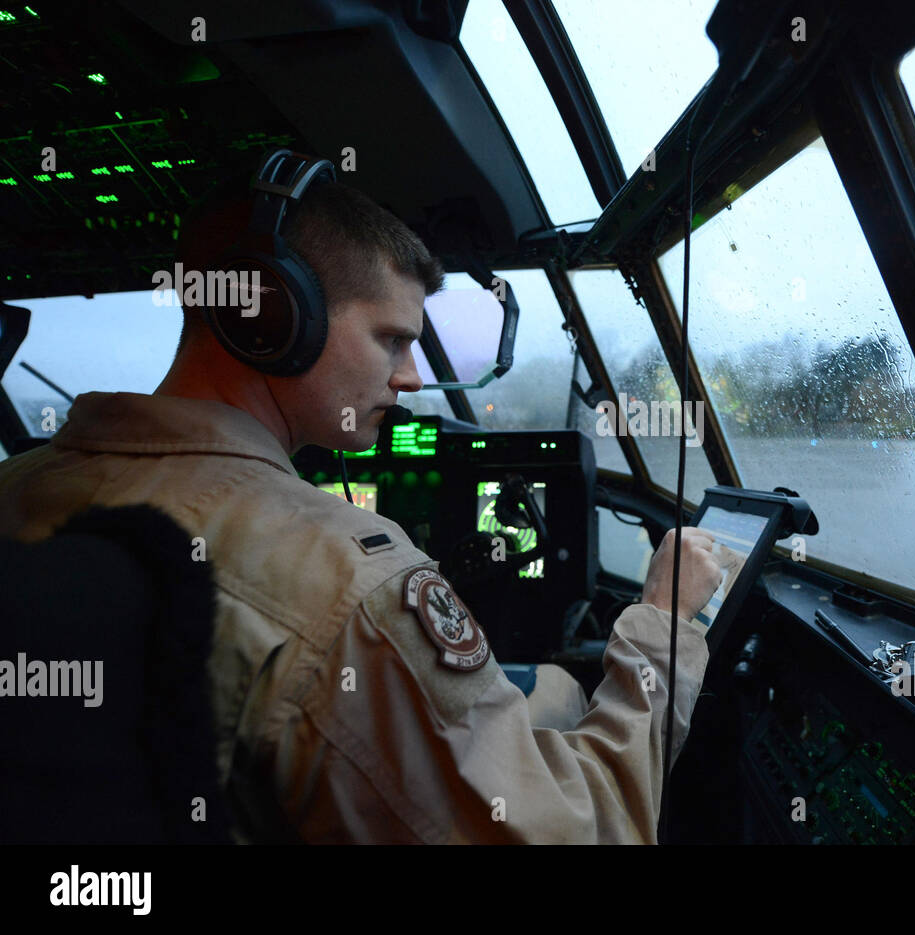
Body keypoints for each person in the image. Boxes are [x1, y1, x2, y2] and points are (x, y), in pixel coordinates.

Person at [0, 163, 723, 843]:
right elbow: (577, 829)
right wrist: (660, 627)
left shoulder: (21, 483)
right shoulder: (349, 587)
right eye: (392, 339)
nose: (410, 378)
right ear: (270, 316)